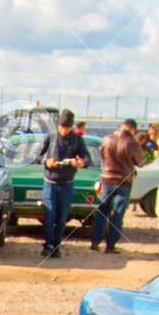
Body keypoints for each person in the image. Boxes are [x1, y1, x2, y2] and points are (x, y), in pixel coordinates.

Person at [33, 109, 88, 259]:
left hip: (67, 184)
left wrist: (81, 162)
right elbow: (37, 155)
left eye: (67, 128)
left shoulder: (77, 139)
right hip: (50, 183)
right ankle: (48, 245)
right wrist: (46, 161)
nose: (64, 130)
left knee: (62, 218)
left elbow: (86, 157)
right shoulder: (50, 137)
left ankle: (56, 245)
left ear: (71, 127)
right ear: (58, 126)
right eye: (62, 127)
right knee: (49, 215)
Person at [92, 117, 144, 253]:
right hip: (124, 182)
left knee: (102, 211)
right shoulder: (132, 143)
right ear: (132, 129)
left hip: (106, 180)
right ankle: (110, 246)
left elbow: (102, 155)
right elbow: (141, 162)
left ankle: (95, 242)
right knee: (117, 214)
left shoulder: (106, 139)